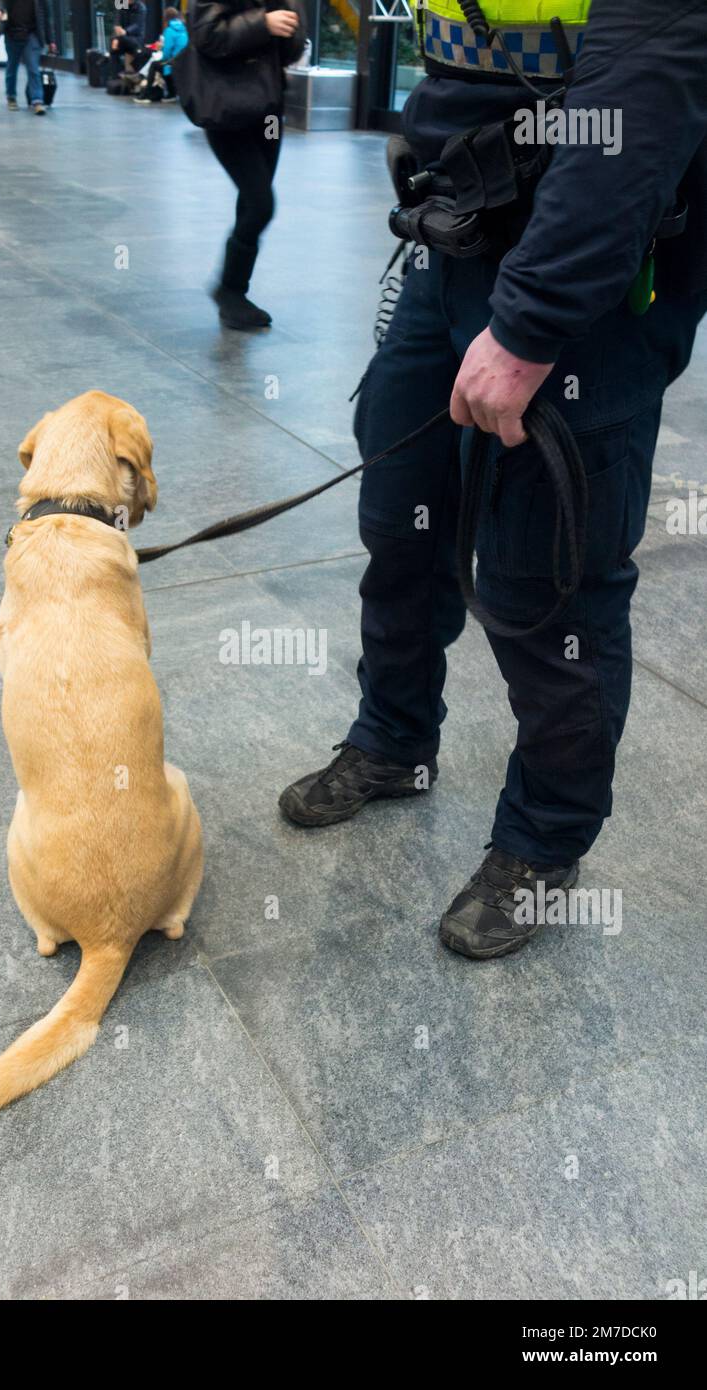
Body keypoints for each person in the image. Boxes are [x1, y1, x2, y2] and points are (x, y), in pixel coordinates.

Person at [279, 0, 707, 959]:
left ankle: (544, 841)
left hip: (583, 275)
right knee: (401, 522)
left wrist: (528, 323)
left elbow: (639, 106)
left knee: (549, 583)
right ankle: (393, 741)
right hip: (459, 229)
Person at [192, 1, 305, 330]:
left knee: (252, 200)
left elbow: (291, 48)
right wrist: (262, 24)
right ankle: (230, 290)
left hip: (267, 106)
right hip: (227, 108)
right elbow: (205, 34)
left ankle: (233, 295)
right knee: (260, 204)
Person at [0, 0, 57, 113]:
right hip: (12, 34)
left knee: (33, 68)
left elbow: (47, 17)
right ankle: (11, 97)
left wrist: (51, 40)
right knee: (12, 67)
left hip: (32, 35)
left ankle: (37, 100)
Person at [133, 7, 187, 104]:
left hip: (174, 63)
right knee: (162, 65)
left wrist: (161, 52)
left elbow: (167, 52)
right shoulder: (184, 29)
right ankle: (172, 94)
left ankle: (146, 95)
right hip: (184, 62)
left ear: (165, 18)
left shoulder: (169, 30)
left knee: (155, 65)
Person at [108, 1, 148, 81]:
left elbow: (137, 26)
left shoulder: (141, 7)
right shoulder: (121, 3)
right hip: (123, 37)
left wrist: (125, 32)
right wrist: (117, 35)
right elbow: (117, 20)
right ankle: (115, 78)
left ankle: (133, 77)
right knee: (113, 46)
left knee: (117, 41)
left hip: (136, 38)